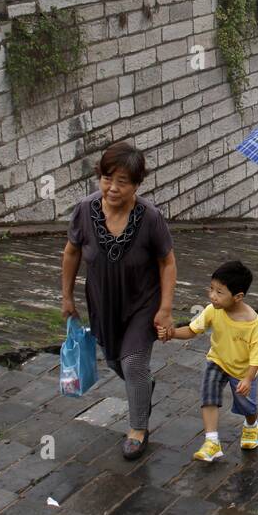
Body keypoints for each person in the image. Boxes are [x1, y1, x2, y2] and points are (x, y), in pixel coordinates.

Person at [62, 142, 176, 460]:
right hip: (103, 304)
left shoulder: (151, 218)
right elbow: (71, 252)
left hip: (143, 303)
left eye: (122, 181)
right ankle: (142, 385)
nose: (112, 188)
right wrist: (67, 296)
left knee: (133, 361)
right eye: (107, 178)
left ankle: (137, 430)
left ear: (136, 185)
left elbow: (168, 262)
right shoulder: (85, 210)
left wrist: (165, 309)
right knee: (115, 360)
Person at [159, 261, 258, 463]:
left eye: (219, 292)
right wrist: (172, 333)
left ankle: (251, 426)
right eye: (211, 289)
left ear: (238, 297)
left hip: (243, 370)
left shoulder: (252, 322)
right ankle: (212, 441)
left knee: (247, 406)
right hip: (217, 361)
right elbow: (192, 330)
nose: (212, 296)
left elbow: (257, 357)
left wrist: (248, 379)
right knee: (209, 396)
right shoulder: (212, 310)